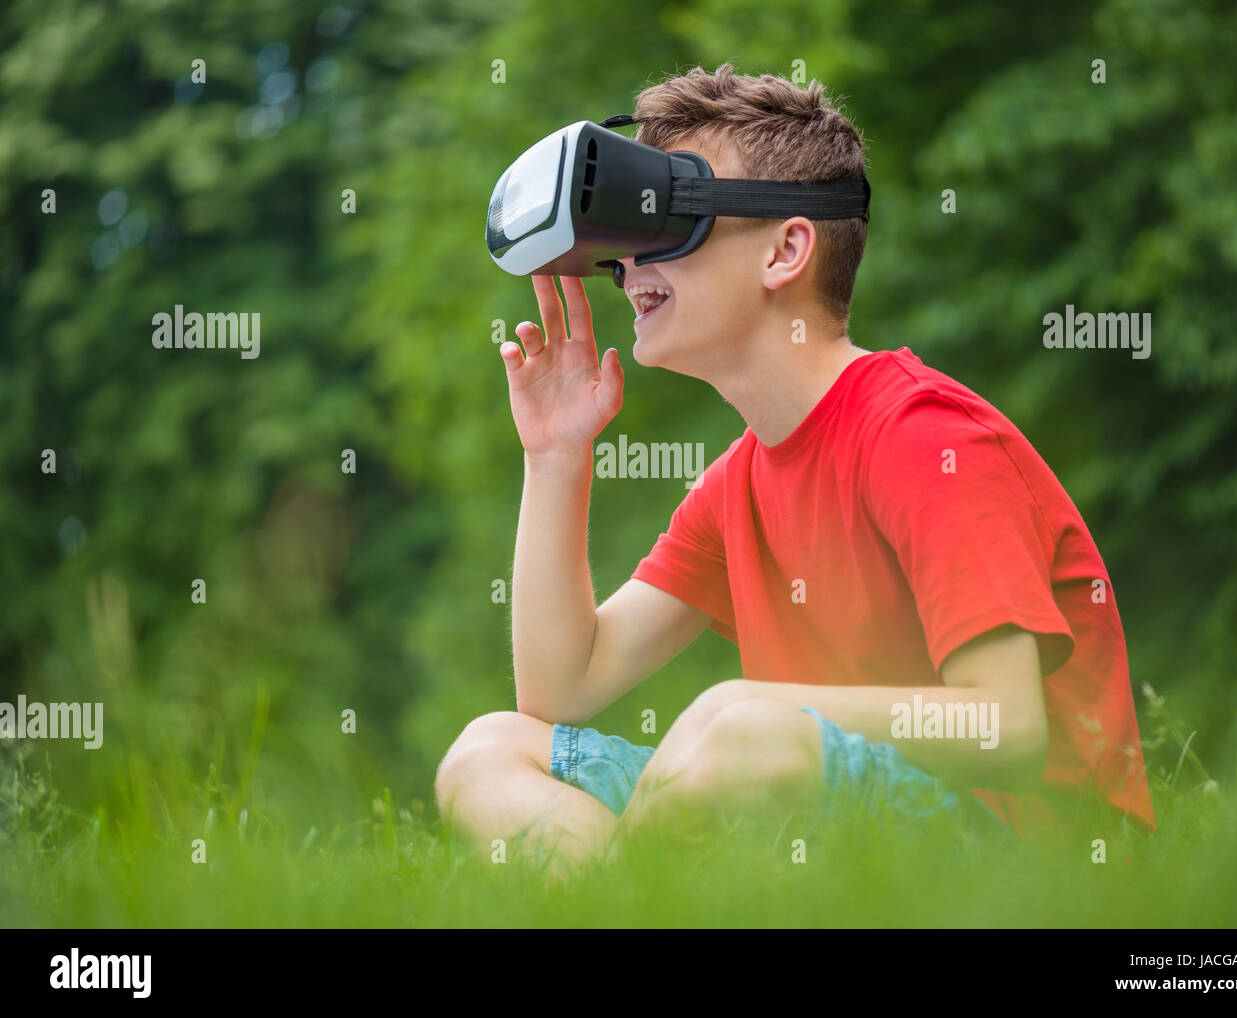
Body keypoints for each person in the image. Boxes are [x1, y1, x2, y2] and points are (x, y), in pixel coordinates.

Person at [435, 64, 1155, 874]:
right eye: (629, 240)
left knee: (737, 726)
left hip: (1021, 852)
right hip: (815, 830)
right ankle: (638, 902)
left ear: (786, 249)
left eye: (669, 221)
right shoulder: (736, 484)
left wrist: (758, 713)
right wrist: (556, 456)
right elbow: (563, 689)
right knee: (489, 750)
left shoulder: (923, 434)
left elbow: (1005, 726)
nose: (631, 267)